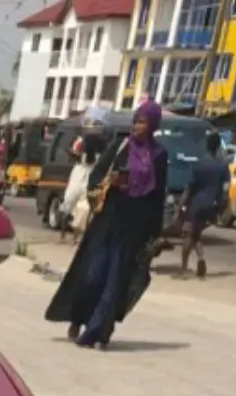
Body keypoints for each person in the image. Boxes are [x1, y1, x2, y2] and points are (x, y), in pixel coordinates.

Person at [44, 99, 169, 350]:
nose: (137, 127)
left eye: (142, 122)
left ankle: (100, 332)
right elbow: (96, 175)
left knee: (115, 281)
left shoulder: (159, 155)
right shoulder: (121, 145)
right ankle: (78, 319)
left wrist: (154, 235)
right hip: (106, 221)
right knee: (92, 275)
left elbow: (157, 196)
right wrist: (110, 184)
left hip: (133, 227)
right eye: (135, 121)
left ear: (153, 125)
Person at [178, 129, 229, 279]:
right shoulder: (223, 166)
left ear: (206, 145)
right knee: (196, 233)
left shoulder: (199, 164)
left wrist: (181, 205)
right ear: (218, 146)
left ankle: (184, 268)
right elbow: (226, 190)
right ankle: (200, 258)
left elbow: (190, 187)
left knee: (188, 235)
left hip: (196, 205)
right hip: (211, 205)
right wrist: (222, 207)